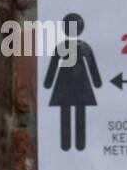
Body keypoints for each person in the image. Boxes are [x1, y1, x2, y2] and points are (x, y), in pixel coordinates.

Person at [43, 13, 102, 151]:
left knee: (74, 113)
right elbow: (54, 64)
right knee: (69, 114)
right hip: (73, 85)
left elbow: (91, 64)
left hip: (71, 85)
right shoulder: (77, 47)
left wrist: (48, 82)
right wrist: (97, 82)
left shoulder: (76, 47)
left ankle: (74, 144)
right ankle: (69, 144)